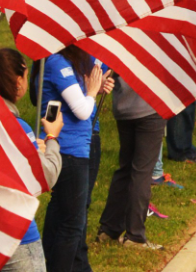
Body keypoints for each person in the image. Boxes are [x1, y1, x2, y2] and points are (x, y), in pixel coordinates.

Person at [42, 46, 113, 270]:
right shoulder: (57, 62)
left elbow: (74, 102)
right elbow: (82, 111)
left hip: (72, 148)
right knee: (72, 224)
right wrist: (91, 92)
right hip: (70, 151)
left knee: (62, 217)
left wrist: (94, 89)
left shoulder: (60, 62)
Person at [1, 48, 62, 272]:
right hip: (18, 236)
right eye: (26, 77)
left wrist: (30, 149)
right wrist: (52, 137)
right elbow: (48, 175)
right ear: (18, 81)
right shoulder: (16, 129)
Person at [96, 74, 166, 251]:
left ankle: (109, 229)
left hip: (123, 107)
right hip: (151, 106)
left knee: (125, 169)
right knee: (142, 172)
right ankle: (134, 235)